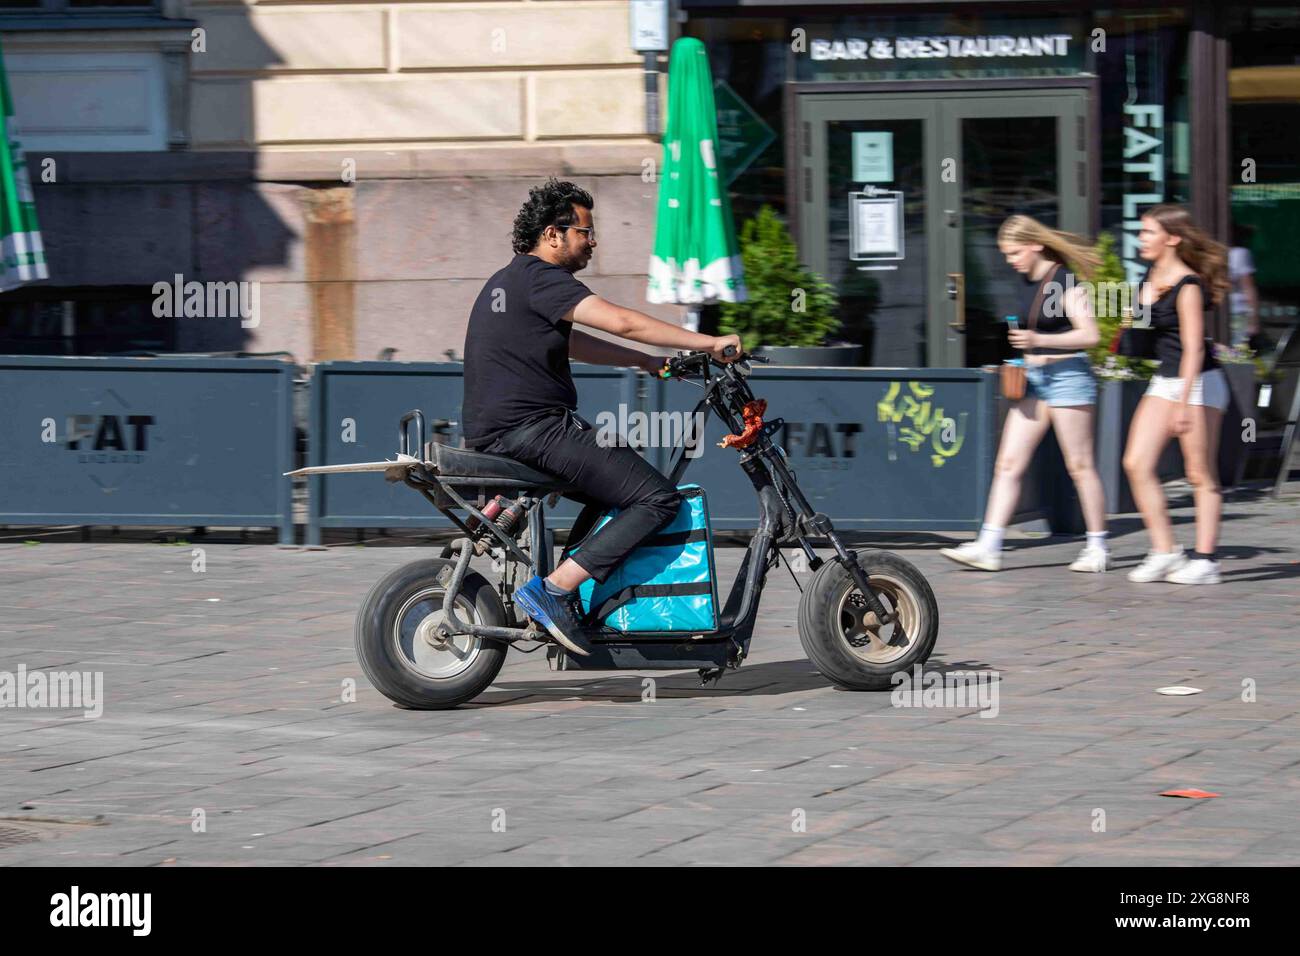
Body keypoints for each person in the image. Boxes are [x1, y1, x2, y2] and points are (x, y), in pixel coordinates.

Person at [461, 179, 741, 655]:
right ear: (553, 235)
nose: (592, 242)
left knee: (613, 484)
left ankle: (575, 593)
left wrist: (647, 362)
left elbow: (573, 341)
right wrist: (709, 343)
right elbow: (623, 321)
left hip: (502, 433)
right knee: (656, 498)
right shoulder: (543, 278)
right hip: (535, 431)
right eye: (585, 232)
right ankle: (555, 590)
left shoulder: (509, 281)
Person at [940, 215, 1107, 573]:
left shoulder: (1064, 281)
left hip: (1067, 378)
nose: (1009, 260)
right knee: (1008, 462)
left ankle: (1097, 547)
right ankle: (990, 544)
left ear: (1035, 245)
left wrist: (1039, 341)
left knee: (1079, 465)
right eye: (1005, 253)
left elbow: (1090, 336)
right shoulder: (1026, 280)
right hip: (1035, 378)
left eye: (1014, 252)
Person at [1123, 204, 1231, 585]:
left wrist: (1185, 403)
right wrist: (1128, 318)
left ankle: (1206, 561)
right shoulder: (1148, 278)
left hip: (1197, 382)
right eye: (1141, 232)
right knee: (1136, 463)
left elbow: (1194, 348)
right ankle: (1166, 550)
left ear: (1173, 238)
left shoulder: (1189, 285)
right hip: (1165, 379)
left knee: (1199, 472)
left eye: (1148, 232)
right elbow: (1141, 342)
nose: (1141, 239)